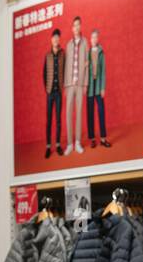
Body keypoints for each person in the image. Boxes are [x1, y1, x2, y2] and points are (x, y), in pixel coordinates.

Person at [64, 16, 90, 155]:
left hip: (80, 84)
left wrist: (85, 83)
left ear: (80, 26)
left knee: (79, 112)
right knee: (68, 113)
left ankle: (78, 142)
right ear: (72, 28)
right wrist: (65, 85)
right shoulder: (68, 45)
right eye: (74, 25)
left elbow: (87, 63)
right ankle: (69, 144)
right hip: (69, 84)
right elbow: (66, 65)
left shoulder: (85, 42)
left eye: (78, 25)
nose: (76, 27)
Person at [87, 28, 111, 149]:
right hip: (90, 87)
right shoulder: (87, 52)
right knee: (90, 113)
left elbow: (104, 72)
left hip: (98, 86)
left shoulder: (101, 52)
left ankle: (103, 138)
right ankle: (92, 139)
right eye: (92, 37)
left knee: (101, 111)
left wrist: (103, 87)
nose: (94, 39)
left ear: (98, 39)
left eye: (96, 37)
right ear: (90, 39)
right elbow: (85, 70)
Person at [44, 29, 66, 158]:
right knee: (49, 120)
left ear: (59, 40)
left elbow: (65, 70)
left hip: (58, 93)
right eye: (54, 38)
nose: (56, 40)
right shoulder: (47, 56)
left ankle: (57, 145)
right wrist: (47, 89)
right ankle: (48, 146)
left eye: (58, 38)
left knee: (58, 120)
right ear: (51, 40)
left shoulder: (63, 54)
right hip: (50, 93)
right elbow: (44, 73)